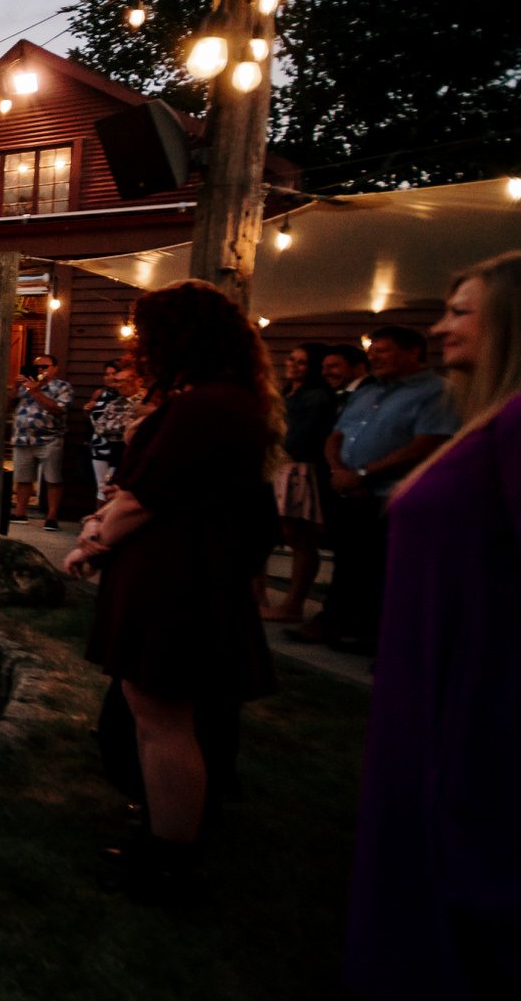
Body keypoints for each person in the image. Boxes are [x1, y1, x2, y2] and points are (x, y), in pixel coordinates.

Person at [344, 251, 521, 1001]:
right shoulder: (502, 417)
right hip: (432, 678)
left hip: (492, 691)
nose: (439, 325)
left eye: (461, 310)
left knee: (488, 882)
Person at [62, 280, 278, 899]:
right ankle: (163, 835)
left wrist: (93, 543)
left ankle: (171, 859)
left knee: (163, 721)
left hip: (174, 579)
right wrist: (102, 523)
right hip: (174, 568)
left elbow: (147, 496)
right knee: (157, 716)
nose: (139, 345)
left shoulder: (208, 407)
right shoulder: (222, 401)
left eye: (146, 332)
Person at [295, 325, 457, 652]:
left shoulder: (437, 392)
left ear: (413, 352)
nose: (373, 357)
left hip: (391, 493)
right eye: (372, 351)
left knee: (380, 566)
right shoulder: (368, 392)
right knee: (347, 560)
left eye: (382, 350)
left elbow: (426, 442)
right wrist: (340, 470)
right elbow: (337, 434)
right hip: (349, 490)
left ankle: (371, 632)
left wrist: (365, 474)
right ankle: (334, 621)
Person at [260, 342, 337, 623]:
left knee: (299, 537)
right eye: (291, 359)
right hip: (277, 466)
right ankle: (261, 598)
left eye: (301, 362)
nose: (292, 365)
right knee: (270, 533)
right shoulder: (287, 394)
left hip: (297, 469)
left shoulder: (317, 397)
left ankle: (293, 602)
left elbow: (301, 435)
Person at [9, 353, 72, 530]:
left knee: (52, 478)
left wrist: (36, 391)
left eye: (45, 367)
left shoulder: (62, 387)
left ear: (55, 368)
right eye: (37, 367)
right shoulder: (25, 386)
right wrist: (16, 386)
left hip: (49, 438)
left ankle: (51, 516)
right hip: (23, 438)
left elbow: (59, 410)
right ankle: (20, 512)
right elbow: (10, 403)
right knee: (23, 478)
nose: (41, 370)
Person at [85, 358, 137, 501]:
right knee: (102, 487)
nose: (110, 378)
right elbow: (97, 421)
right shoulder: (100, 394)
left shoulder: (129, 397)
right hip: (99, 445)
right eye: (106, 374)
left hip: (119, 447)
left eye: (113, 374)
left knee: (116, 486)